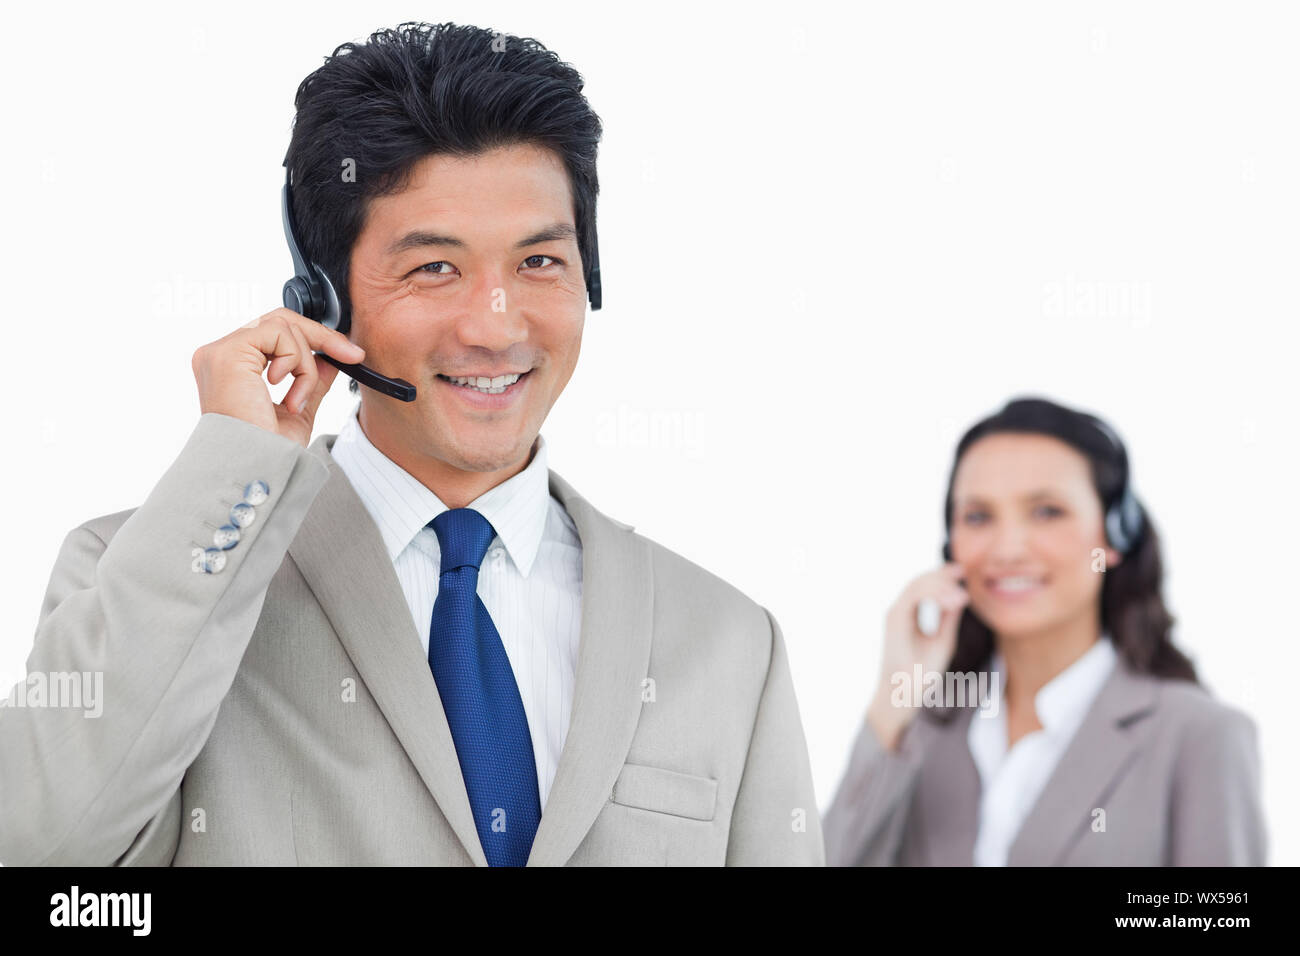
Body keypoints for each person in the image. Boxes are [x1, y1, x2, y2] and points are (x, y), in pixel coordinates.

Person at [0, 22, 822, 867]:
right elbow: (37, 845)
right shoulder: (148, 572)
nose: (495, 328)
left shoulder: (731, 644)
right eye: (435, 268)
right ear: (322, 298)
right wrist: (231, 467)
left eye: (539, 261)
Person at [823, 396, 1266, 866]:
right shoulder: (925, 730)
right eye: (978, 516)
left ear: (1115, 536)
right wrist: (895, 701)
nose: (1008, 547)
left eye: (1047, 511)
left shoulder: (1199, 736)